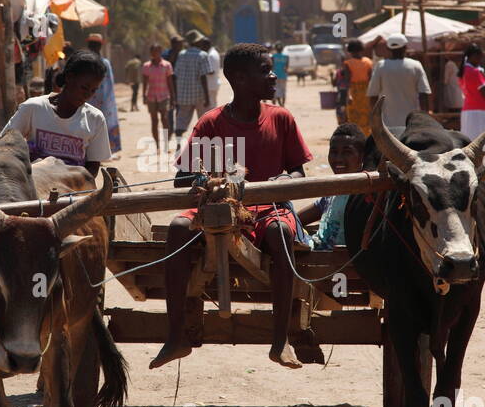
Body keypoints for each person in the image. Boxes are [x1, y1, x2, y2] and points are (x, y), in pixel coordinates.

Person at [151, 44, 315, 371]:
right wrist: (204, 180)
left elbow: (298, 170)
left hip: (268, 208)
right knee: (178, 228)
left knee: (281, 232)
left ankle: (280, 340)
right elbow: (182, 179)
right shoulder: (211, 123)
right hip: (216, 208)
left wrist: (286, 177)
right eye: (266, 71)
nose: (273, 76)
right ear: (239, 79)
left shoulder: (281, 119)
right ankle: (175, 336)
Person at [2, 49, 112, 176]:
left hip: (73, 190)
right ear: (69, 77)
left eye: (93, 90)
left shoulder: (95, 118)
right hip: (33, 187)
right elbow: (5, 145)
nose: (88, 95)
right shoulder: (33, 108)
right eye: (84, 88)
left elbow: (92, 169)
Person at [296, 123, 366, 251]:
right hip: (317, 251)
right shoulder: (333, 190)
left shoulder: (365, 194)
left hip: (341, 261)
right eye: (334, 152)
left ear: (362, 156)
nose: (338, 159)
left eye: (347, 152)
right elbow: (297, 219)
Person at [367, 33, 432, 129]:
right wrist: (425, 119)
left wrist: (375, 120)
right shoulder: (415, 65)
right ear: (405, 47)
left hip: (387, 125)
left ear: (388, 49)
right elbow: (424, 94)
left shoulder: (381, 66)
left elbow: (373, 96)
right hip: (412, 124)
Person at [84, 33, 122, 155]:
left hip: (98, 102)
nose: (93, 47)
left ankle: (97, 153)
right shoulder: (90, 62)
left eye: (95, 45)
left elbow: (109, 86)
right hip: (94, 102)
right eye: (92, 45)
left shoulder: (102, 63)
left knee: (96, 127)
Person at [171, 30, 212, 139]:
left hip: (183, 95)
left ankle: (178, 144)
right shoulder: (202, 55)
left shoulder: (181, 54)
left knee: (181, 121)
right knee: (203, 120)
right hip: (198, 95)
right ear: (197, 41)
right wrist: (207, 97)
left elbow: (175, 75)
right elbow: (203, 77)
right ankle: (203, 145)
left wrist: (176, 95)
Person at [459, 44, 485, 141]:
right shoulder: (475, 71)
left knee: (468, 141)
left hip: (467, 110)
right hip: (478, 111)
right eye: (479, 57)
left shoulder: (462, 71)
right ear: (473, 56)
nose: (480, 60)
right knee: (482, 141)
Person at [140, 42, 173, 146]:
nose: (155, 53)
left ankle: (166, 143)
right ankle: (158, 144)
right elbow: (145, 82)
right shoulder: (146, 66)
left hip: (164, 96)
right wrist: (144, 96)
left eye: (157, 51)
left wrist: (173, 97)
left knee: (164, 119)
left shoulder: (167, 65)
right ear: (151, 53)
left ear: (160, 52)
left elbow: (170, 82)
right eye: (153, 51)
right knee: (154, 121)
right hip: (151, 97)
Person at [341, 40, 375, 130]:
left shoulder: (348, 63)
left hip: (354, 92)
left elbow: (347, 81)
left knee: (354, 116)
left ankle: (356, 135)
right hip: (366, 92)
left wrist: (348, 95)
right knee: (366, 115)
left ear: (350, 51)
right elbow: (371, 79)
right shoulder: (368, 62)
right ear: (361, 49)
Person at [204, 38, 222, 109]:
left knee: (211, 107)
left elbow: (211, 71)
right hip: (213, 83)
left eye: (203, 45)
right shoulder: (213, 53)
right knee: (213, 105)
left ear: (206, 45)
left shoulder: (211, 55)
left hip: (211, 85)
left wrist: (200, 72)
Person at [271, 42, 289, 107]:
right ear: (282, 49)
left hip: (275, 75)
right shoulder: (286, 57)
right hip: (283, 76)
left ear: (275, 49)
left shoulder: (273, 57)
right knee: (283, 90)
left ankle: (279, 102)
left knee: (276, 89)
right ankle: (283, 104)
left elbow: (271, 67)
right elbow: (286, 67)